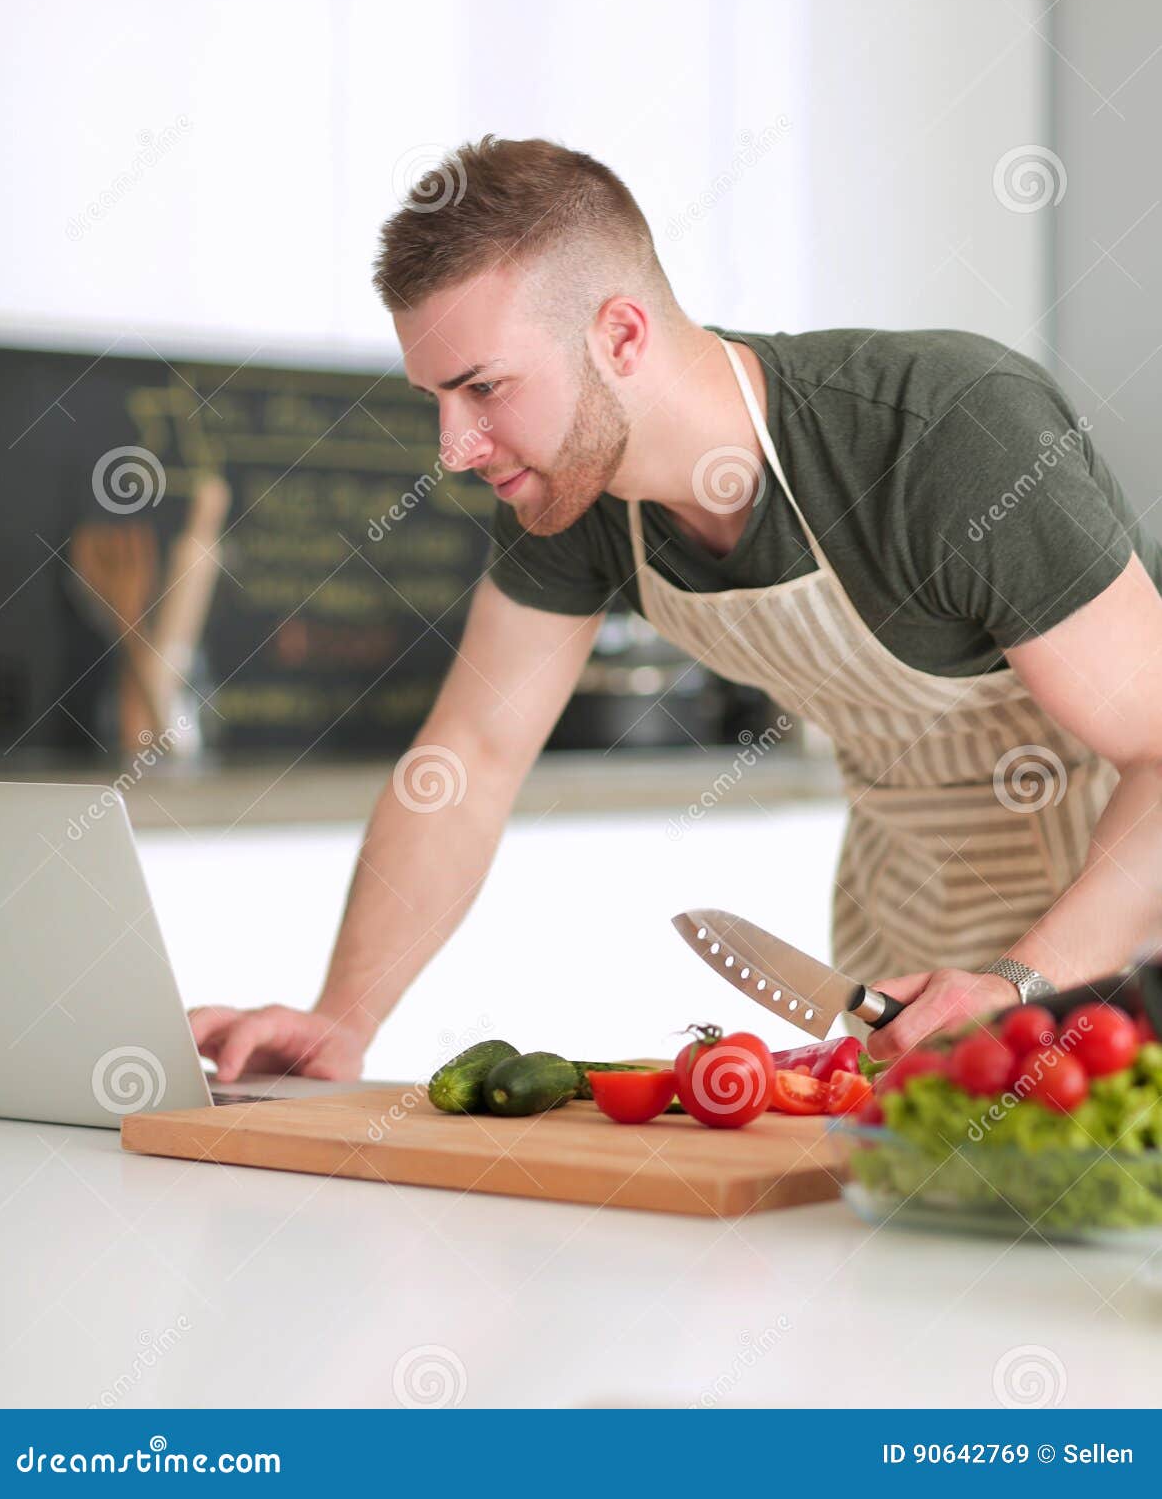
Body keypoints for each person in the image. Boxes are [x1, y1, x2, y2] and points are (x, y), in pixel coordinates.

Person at [190, 136, 1162, 1082]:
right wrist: (341, 1018)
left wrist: (1021, 981)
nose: (455, 444)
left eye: (483, 387)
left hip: (1119, 953)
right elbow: (471, 758)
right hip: (903, 947)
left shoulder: (947, 436)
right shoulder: (571, 495)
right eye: (436, 398)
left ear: (620, 334)